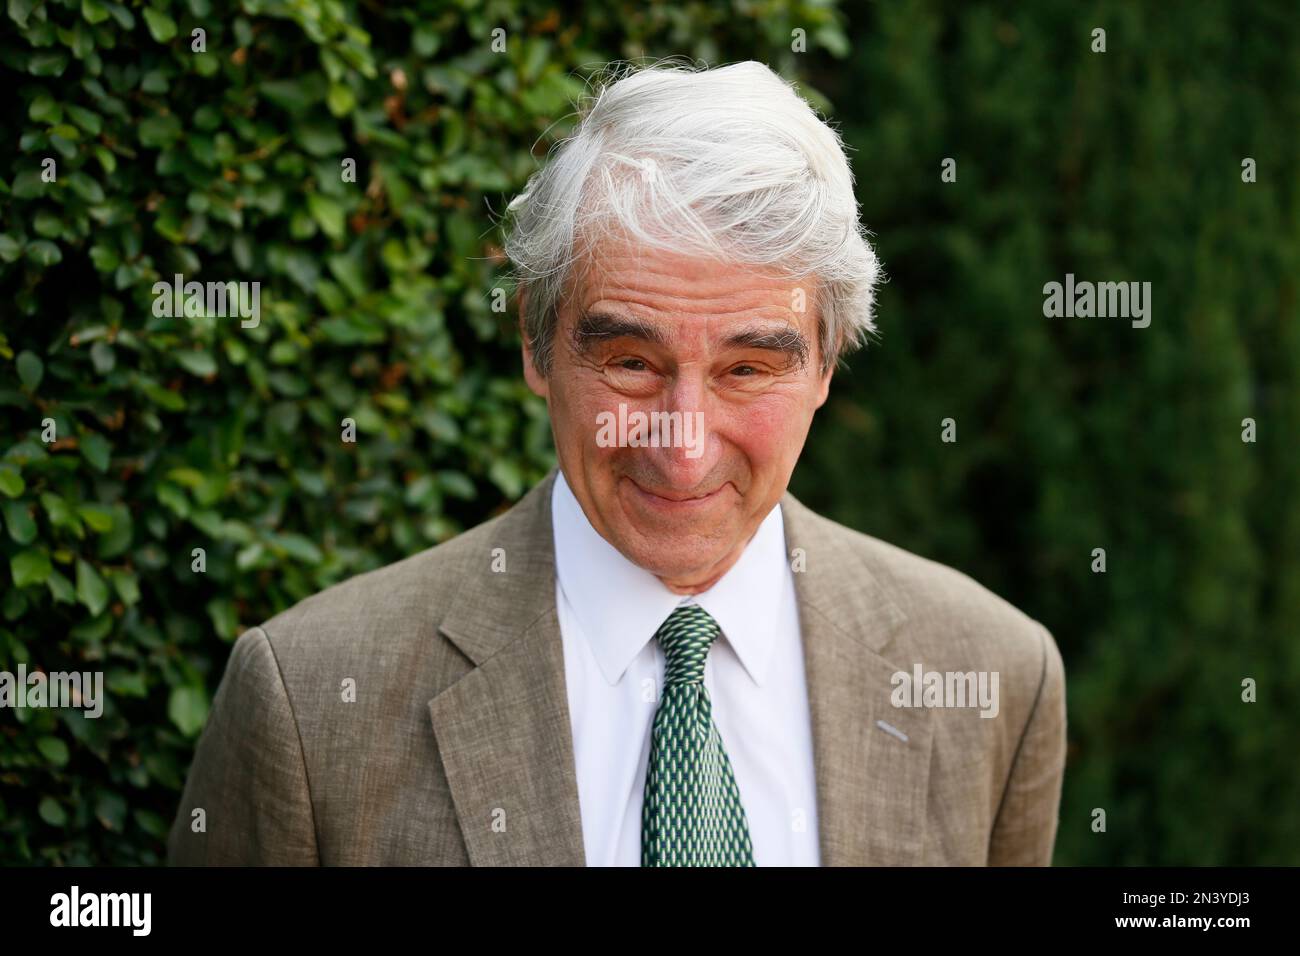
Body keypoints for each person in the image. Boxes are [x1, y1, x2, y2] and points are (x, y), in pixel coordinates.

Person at [168, 59, 1066, 866]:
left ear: (826, 364)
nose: (684, 448)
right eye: (631, 363)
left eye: (747, 370)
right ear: (536, 340)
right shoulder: (307, 701)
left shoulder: (996, 677)